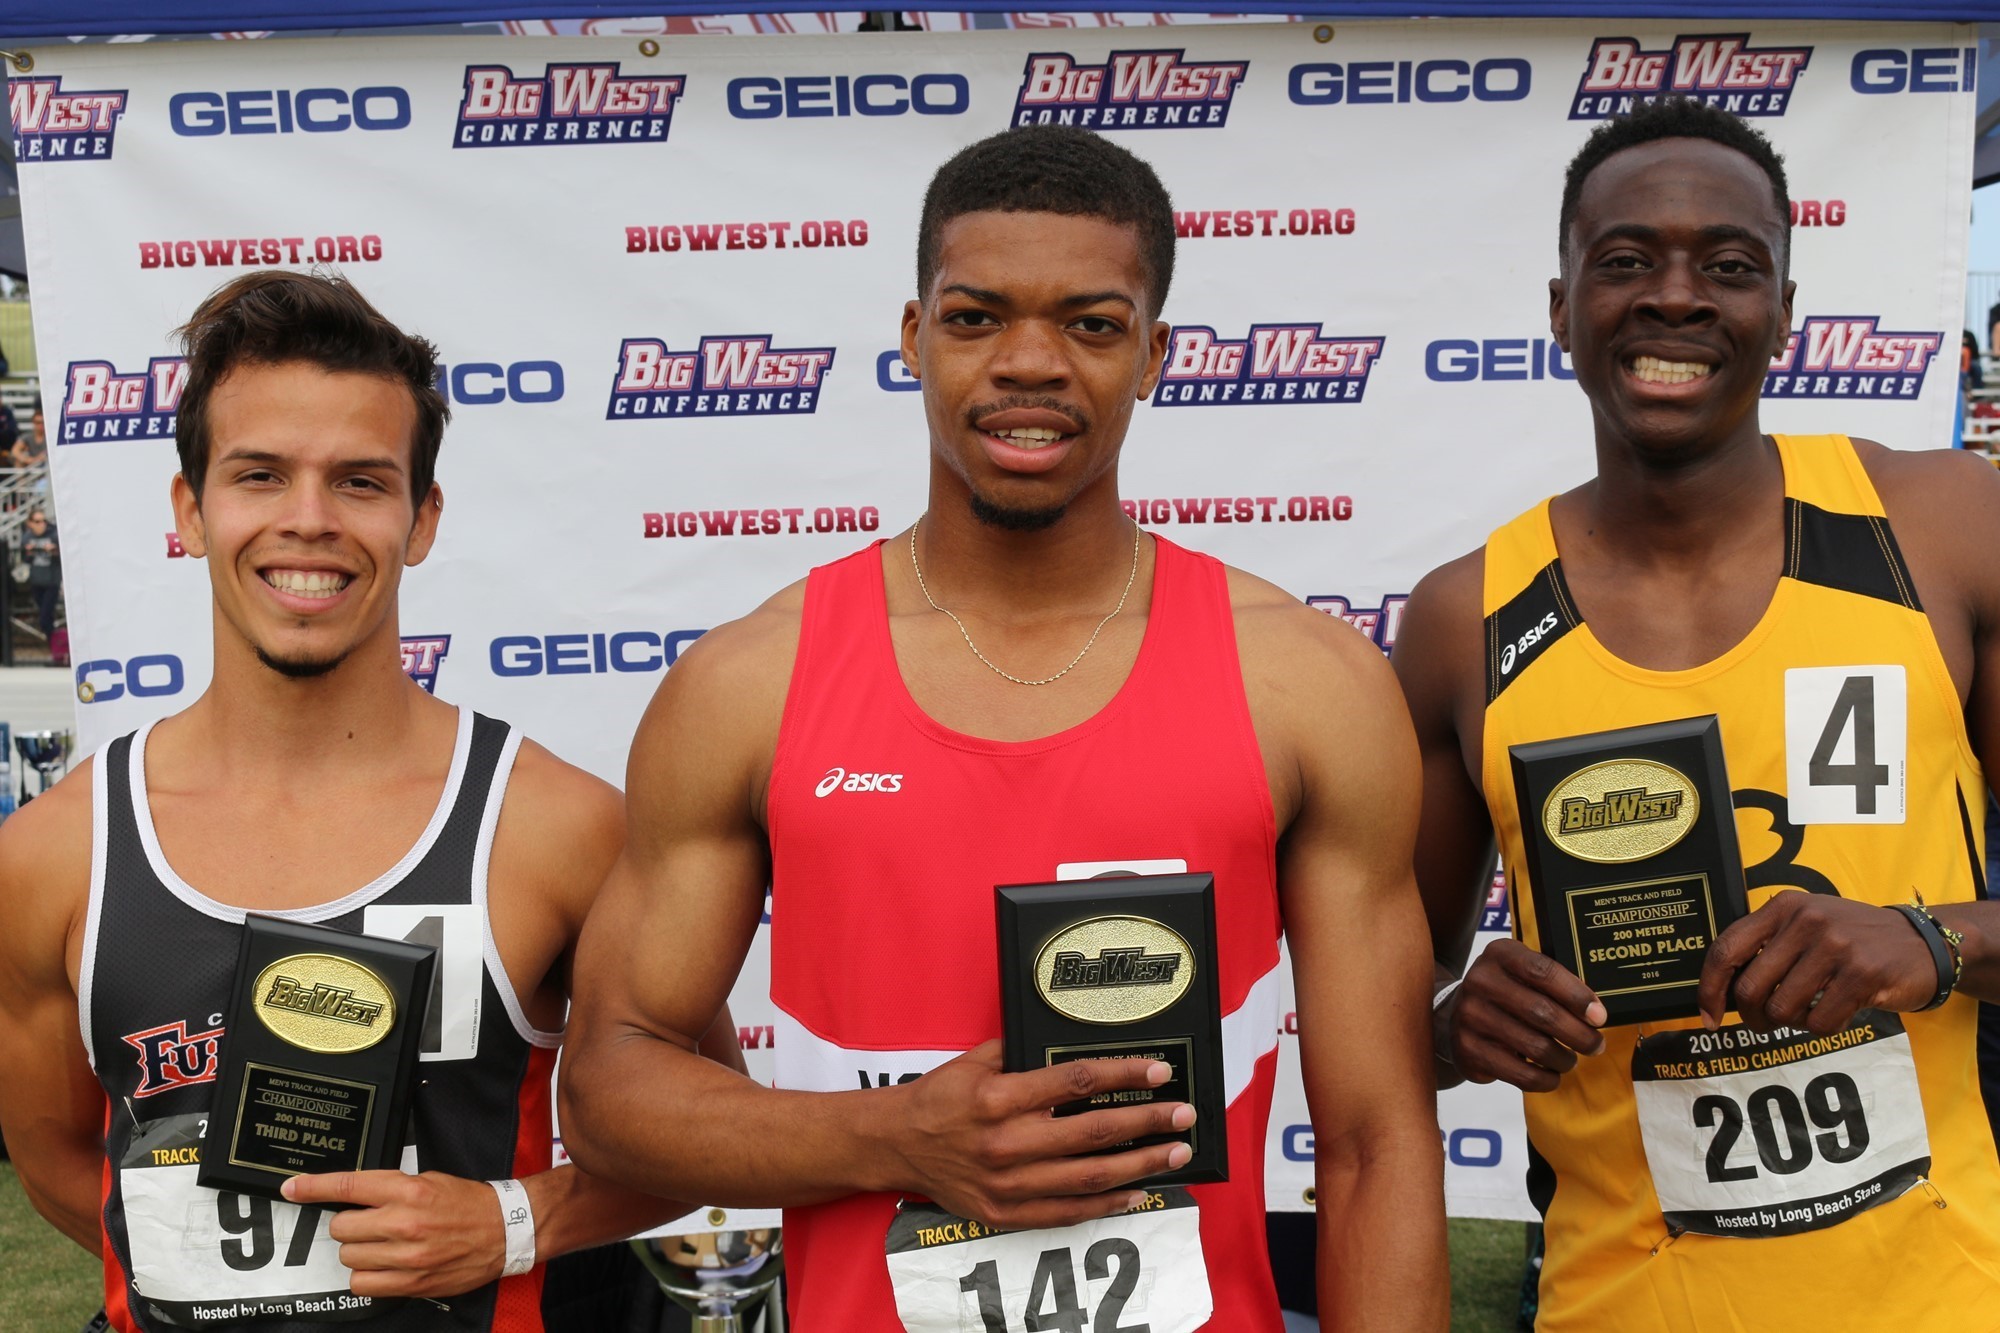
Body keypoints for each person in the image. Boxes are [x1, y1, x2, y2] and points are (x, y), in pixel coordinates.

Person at [558, 125, 1448, 1332]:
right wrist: (894, 1136)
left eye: (1089, 323)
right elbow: (611, 1083)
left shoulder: (1303, 681)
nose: (1030, 363)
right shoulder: (750, 683)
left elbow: (1371, 1144)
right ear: (915, 337)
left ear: (1152, 355)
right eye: (976, 318)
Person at [0, 269, 739, 1333]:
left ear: (420, 516)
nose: (308, 522)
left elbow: (709, 1125)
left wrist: (513, 1223)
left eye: (358, 481)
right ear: (189, 509)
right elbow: (63, 1163)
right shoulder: (57, 855)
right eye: (259, 475)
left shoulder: (557, 829)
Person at [1395, 98, 2000, 1332]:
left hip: (1945, 1291)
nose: (1674, 296)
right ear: (1557, 305)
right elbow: (1383, 1027)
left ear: (1784, 311)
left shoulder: (1939, 527)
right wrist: (1462, 1026)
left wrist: (1930, 943)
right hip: (1614, 1298)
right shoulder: (1465, 619)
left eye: (1727, 265)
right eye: (1624, 261)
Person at [19, 505, 60, 647]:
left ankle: (55, 647)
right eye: (37, 521)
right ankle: (56, 648)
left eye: (43, 521)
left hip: (51, 582)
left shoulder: (53, 534)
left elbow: (62, 558)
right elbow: (24, 559)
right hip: (36, 581)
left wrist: (54, 550)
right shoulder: (27, 537)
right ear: (30, 523)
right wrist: (29, 553)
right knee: (45, 617)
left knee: (45, 617)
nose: (41, 524)